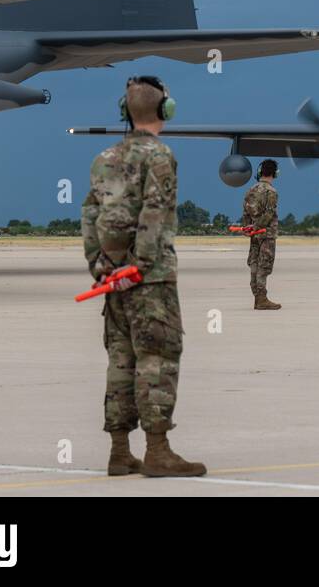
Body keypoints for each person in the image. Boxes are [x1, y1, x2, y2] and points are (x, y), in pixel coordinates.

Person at [81, 75, 206, 478]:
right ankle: (158, 450)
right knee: (158, 356)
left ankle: (119, 451)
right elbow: (155, 211)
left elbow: (88, 215)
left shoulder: (103, 158)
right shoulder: (159, 156)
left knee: (121, 359)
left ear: (126, 111)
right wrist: (142, 265)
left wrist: (102, 268)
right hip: (149, 280)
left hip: (112, 279)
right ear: (164, 111)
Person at [241, 159, 281, 310]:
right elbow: (269, 214)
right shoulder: (271, 192)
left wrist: (247, 228)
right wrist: (257, 226)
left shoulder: (250, 190)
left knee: (254, 263)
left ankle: (257, 296)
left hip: (254, 234)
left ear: (260, 172)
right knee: (264, 265)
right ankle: (261, 298)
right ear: (275, 173)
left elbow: (245, 211)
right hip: (266, 233)